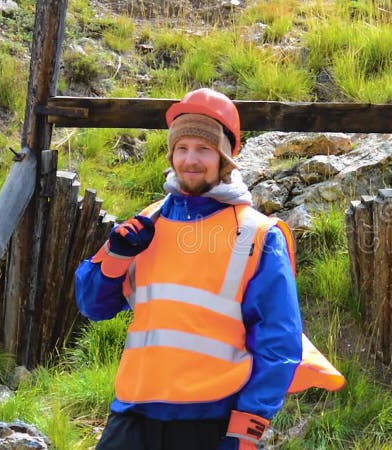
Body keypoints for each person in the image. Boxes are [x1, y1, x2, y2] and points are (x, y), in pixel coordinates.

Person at [74, 88, 345, 450]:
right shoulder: (146, 223)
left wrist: (245, 429)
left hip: (209, 423)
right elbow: (93, 306)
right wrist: (115, 259)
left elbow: (278, 344)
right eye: (181, 149)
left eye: (203, 149)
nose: (190, 160)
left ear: (225, 158)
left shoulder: (258, 235)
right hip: (132, 417)